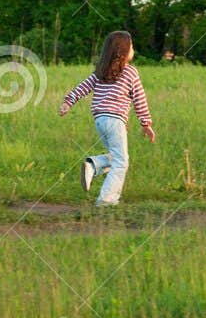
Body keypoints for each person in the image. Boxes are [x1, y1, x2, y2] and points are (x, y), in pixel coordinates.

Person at [58, 30, 155, 207]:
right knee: (121, 162)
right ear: (123, 52)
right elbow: (140, 99)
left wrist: (68, 102)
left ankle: (94, 164)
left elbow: (82, 87)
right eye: (131, 46)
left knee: (116, 156)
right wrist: (146, 123)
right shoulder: (131, 72)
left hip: (100, 121)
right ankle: (106, 201)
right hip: (114, 121)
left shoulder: (100, 72)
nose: (133, 49)